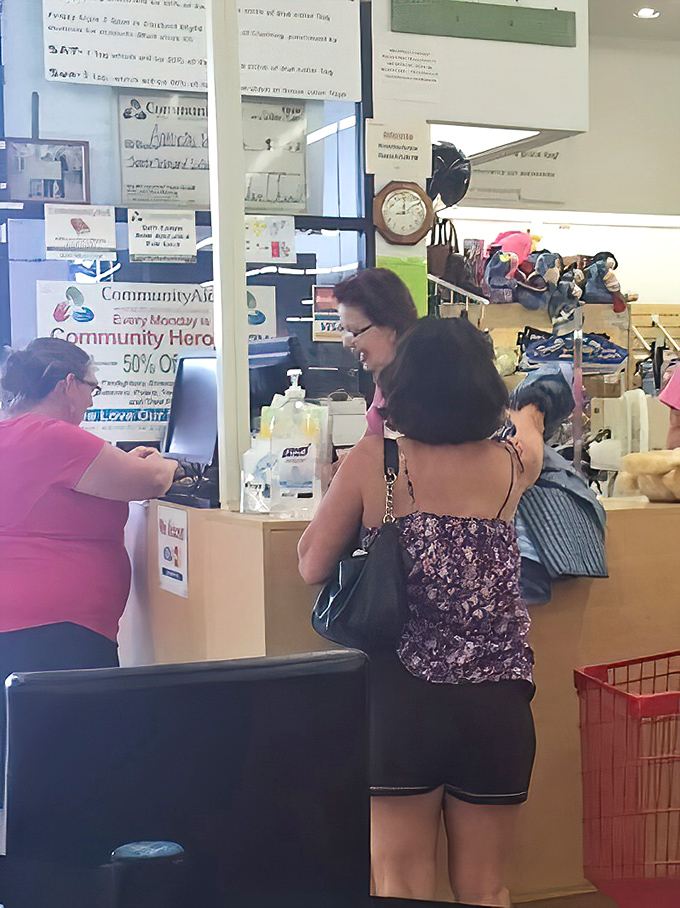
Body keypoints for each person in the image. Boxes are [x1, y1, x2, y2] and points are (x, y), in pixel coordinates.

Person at [298, 318, 545, 907]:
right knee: (487, 887)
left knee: (402, 885)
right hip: (499, 700)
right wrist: (528, 409)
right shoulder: (512, 464)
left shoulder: (376, 460)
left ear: (399, 386)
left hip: (400, 698)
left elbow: (311, 563)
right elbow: (528, 429)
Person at [0, 336, 177, 688]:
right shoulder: (51, 436)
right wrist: (168, 463)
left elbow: (59, 493)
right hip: (56, 634)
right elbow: (154, 480)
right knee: (74, 739)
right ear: (68, 385)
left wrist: (123, 465)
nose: (90, 402)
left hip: (25, 629)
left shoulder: (14, 433)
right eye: (92, 389)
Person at [335, 267, 419, 435]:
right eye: (343, 329)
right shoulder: (386, 380)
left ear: (391, 327)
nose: (347, 342)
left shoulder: (419, 393)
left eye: (355, 331)